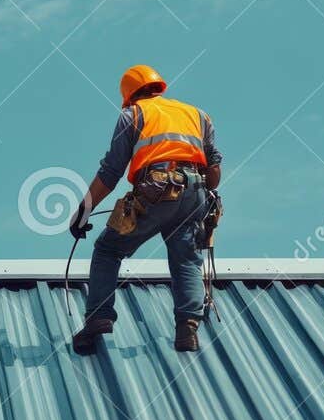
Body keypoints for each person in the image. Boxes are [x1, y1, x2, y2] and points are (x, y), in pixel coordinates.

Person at [69, 64, 222, 355]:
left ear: (129, 96)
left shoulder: (133, 115)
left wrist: (83, 211)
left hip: (157, 190)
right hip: (196, 193)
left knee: (108, 249)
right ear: (159, 86)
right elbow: (214, 170)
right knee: (186, 259)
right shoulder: (198, 115)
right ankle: (188, 325)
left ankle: (99, 318)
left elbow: (110, 173)